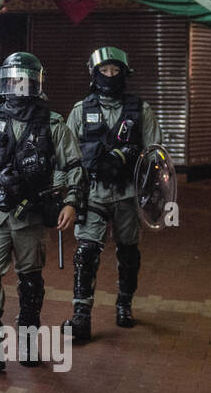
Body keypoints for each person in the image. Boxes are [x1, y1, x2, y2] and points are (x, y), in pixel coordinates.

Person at [0, 53, 83, 372]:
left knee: (30, 282)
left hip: (30, 215)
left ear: (35, 84)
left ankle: (29, 345)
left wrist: (71, 201)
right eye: (12, 80)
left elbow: (72, 165)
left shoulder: (52, 123)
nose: (17, 86)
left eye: (23, 80)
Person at [64, 47, 163, 341]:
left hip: (127, 195)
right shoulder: (80, 110)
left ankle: (124, 305)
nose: (109, 76)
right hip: (92, 193)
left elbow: (155, 156)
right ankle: (81, 316)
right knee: (86, 254)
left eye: (115, 70)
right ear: (94, 75)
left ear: (124, 73)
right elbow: (69, 157)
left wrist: (149, 191)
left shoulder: (140, 110)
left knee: (129, 253)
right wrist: (69, 196)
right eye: (104, 71)